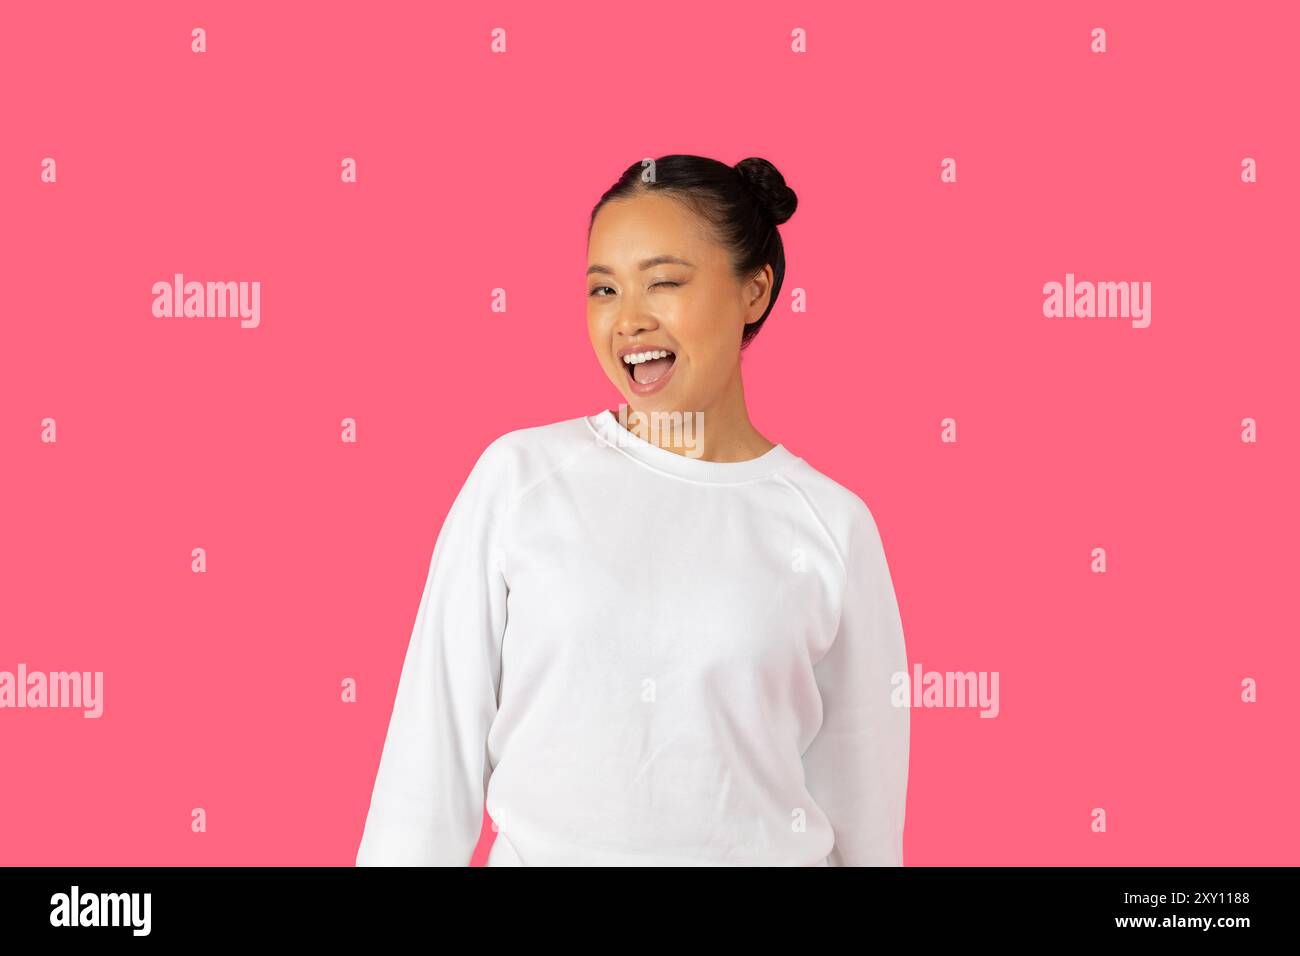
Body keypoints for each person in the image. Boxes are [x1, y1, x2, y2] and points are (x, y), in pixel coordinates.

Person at [355, 154, 910, 866]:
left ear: (756, 291)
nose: (628, 319)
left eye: (665, 282)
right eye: (603, 289)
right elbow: (425, 781)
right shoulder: (521, 481)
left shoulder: (832, 528)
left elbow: (864, 822)